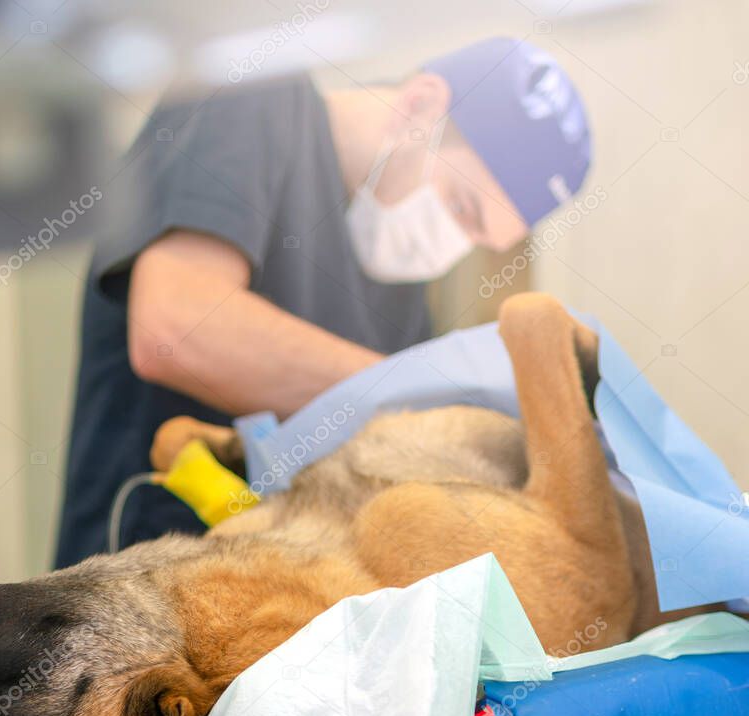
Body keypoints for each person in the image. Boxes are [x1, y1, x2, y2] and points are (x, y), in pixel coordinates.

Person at [55, 36, 592, 566]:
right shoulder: (252, 87)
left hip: (262, 599)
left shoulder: (396, 282)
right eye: (461, 207)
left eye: (479, 241)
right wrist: (429, 400)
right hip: (130, 582)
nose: (451, 247)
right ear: (419, 106)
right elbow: (179, 328)